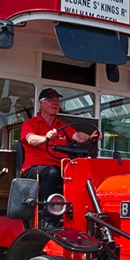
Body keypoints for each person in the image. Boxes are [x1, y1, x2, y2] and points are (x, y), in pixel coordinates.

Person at [21, 88, 100, 228]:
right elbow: (31, 139)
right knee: (51, 173)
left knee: (80, 174)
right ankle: (48, 219)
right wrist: (46, 138)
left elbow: (76, 136)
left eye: (57, 101)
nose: (55, 104)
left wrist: (90, 137)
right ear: (41, 103)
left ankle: (82, 219)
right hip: (34, 170)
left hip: (60, 169)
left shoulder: (62, 125)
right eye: (51, 100)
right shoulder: (30, 124)